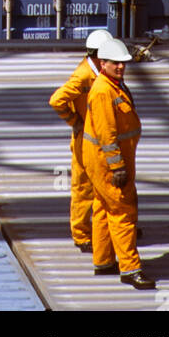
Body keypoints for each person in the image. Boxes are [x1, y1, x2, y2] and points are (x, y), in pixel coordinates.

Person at [83, 36, 154, 289]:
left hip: (105, 160)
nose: (121, 67)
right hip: (108, 163)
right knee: (123, 212)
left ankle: (103, 262)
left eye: (124, 63)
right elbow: (107, 134)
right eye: (115, 63)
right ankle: (130, 269)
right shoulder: (103, 91)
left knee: (103, 208)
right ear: (103, 63)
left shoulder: (114, 84)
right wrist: (118, 167)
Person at [49, 29, 111, 252]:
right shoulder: (84, 75)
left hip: (101, 139)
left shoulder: (104, 73)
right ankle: (82, 235)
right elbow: (57, 101)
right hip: (85, 141)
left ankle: (107, 227)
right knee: (83, 188)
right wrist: (75, 121)